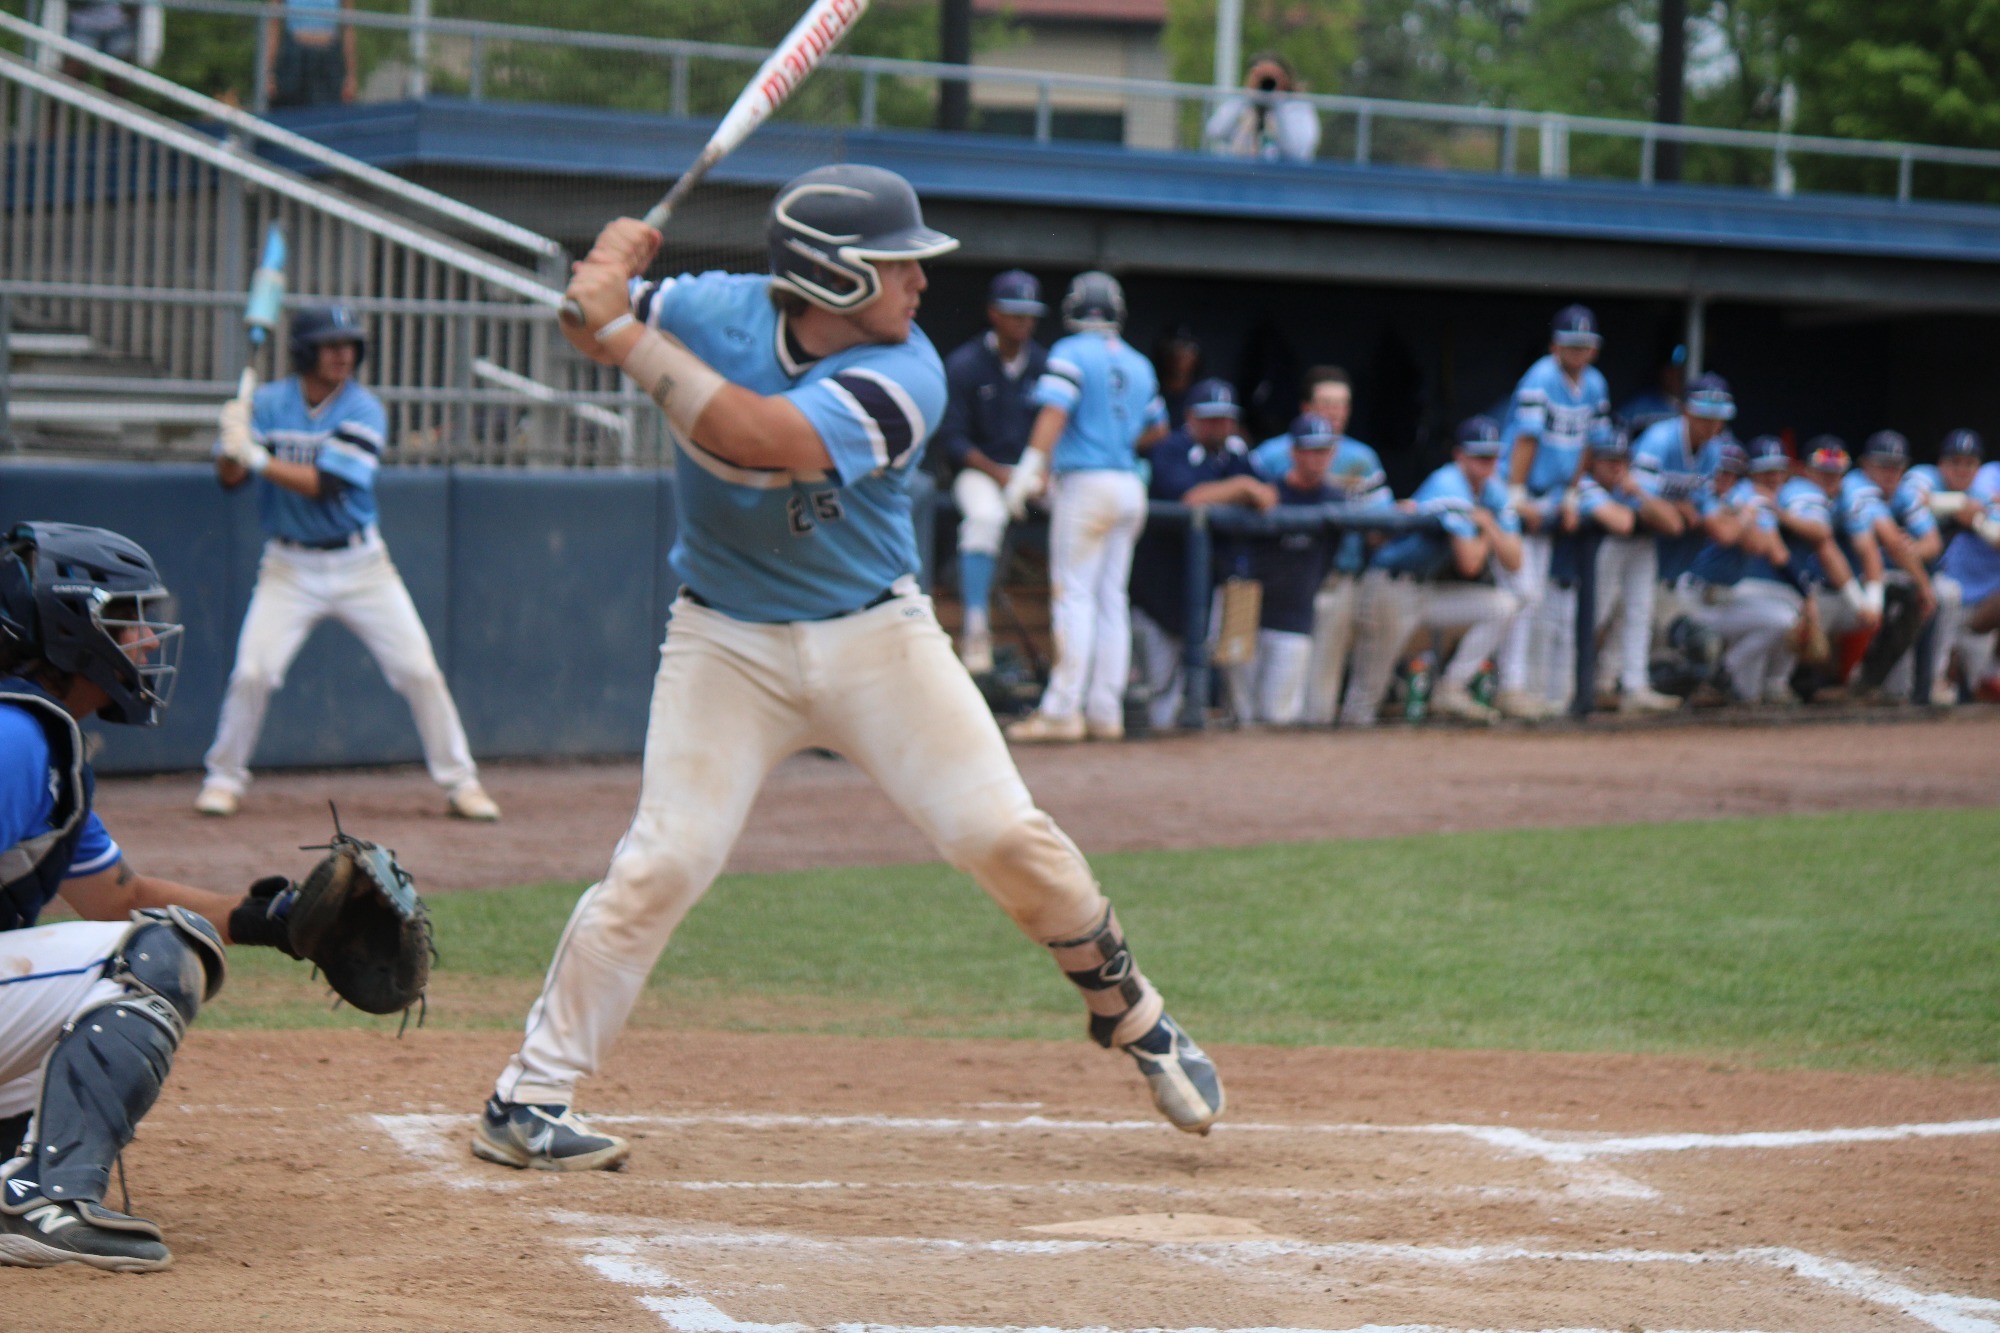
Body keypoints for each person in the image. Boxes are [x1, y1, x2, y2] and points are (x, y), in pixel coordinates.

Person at [474, 166, 1224, 1174]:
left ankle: (1132, 1015)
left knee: (999, 830)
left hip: (876, 636)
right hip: (723, 639)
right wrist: (602, 280)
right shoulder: (706, 309)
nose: (919, 283)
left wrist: (614, 328)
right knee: (665, 857)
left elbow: (753, 437)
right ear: (828, 280)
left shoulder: (910, 373)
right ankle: (527, 1095)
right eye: (895, 265)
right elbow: (596, 317)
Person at [0, 522, 311, 1271]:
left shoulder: (33, 732)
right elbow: (138, 927)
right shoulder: (14, 735)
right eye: (125, 619)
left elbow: (117, 895)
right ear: (71, 627)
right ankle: (46, 1200)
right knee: (157, 956)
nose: (142, 639)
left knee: (147, 934)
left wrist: (270, 920)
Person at [197, 305, 499, 823]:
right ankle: (223, 778)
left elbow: (327, 485)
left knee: (419, 671)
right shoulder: (267, 404)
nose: (342, 355)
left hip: (361, 565)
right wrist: (230, 446)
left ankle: (461, 783)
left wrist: (255, 457)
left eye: (349, 345)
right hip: (288, 566)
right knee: (253, 672)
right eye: (330, 345)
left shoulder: (364, 409)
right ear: (304, 351)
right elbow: (230, 481)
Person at [1003, 271, 1170, 744]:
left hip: (1086, 483)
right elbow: (1157, 428)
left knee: (1074, 596)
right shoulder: (1138, 363)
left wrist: (1028, 468)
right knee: (1111, 600)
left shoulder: (1070, 352)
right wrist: (1115, 441)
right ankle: (1104, 710)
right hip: (1127, 483)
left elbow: (1055, 411)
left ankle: (1061, 711)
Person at [1340, 416, 1524, 726]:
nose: (1486, 464)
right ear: (1459, 455)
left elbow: (1515, 560)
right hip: (1390, 587)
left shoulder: (1491, 489)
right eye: (1478, 456)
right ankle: (1342, 756)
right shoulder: (1448, 482)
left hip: (1425, 590)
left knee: (1502, 606)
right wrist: (1489, 530)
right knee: (1368, 692)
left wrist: (1487, 525)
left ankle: (1451, 688)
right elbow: (1470, 563)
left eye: (1492, 456)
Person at [1128, 378, 1274, 729]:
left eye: (1225, 418)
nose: (1219, 426)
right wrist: (1240, 488)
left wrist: (1239, 489)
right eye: (1210, 418)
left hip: (1216, 586)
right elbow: (1190, 498)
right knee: (1160, 691)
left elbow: (1268, 497)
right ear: (1191, 417)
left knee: (1223, 678)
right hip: (1159, 592)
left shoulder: (1237, 452)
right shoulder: (1170, 448)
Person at [1247, 367, 1388, 723]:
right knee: (1250, 698)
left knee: (1317, 703)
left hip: (1334, 580)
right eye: (1325, 403)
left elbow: (1379, 532)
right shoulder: (1271, 454)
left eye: (1341, 405)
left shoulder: (1362, 458)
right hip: (1267, 585)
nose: (1334, 412)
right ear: (1305, 407)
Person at [1497, 305, 1611, 720]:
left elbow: (1588, 445)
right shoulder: (1541, 377)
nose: (1577, 352)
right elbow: (1527, 439)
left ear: (1594, 350)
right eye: (1570, 345)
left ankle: (1522, 685)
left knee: (1537, 596)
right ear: (1555, 346)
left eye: (1584, 346)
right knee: (1522, 594)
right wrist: (1515, 491)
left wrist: (1570, 493)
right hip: (1519, 491)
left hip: (1552, 495)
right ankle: (1508, 686)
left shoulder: (1595, 384)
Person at [937, 270, 1049, 674]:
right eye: (1014, 312)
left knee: (1079, 509)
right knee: (984, 517)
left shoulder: (1043, 363)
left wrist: (1042, 471)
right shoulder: (965, 364)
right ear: (994, 314)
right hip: (980, 471)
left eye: (1029, 314)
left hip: (1032, 471)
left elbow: (1057, 426)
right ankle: (976, 628)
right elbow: (952, 440)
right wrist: (1001, 475)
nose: (1023, 322)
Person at [1541, 425, 1685, 714]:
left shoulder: (1625, 488)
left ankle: (1617, 688)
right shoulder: (1582, 484)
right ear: (1592, 461)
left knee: (1611, 619)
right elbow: (1623, 523)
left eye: (1622, 461)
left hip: (1572, 586)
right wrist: (1637, 505)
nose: (1617, 468)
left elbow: (1673, 525)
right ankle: (1564, 703)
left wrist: (1639, 494)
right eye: (1609, 461)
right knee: (1554, 656)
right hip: (1554, 587)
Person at [1675, 438, 1807, 704]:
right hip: (1690, 598)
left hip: (1724, 597)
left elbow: (1768, 549)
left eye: (1732, 472)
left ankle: (1724, 673)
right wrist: (1745, 518)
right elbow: (1727, 535)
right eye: (1722, 471)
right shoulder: (1715, 496)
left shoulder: (1750, 498)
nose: (1773, 479)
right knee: (1694, 649)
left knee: (1782, 620)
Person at [1632, 371, 1735, 639]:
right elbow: (1640, 499)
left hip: (1660, 553)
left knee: (1637, 621)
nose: (1711, 425)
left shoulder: (1713, 450)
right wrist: (1679, 508)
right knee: (1610, 617)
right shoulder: (1660, 439)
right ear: (1685, 410)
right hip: (1626, 535)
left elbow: (1712, 520)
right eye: (1704, 417)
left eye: (1717, 418)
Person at [1851, 431, 1949, 701]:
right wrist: (1920, 579)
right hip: (1842, 581)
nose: (1889, 472)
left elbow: (1933, 543)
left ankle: (1875, 683)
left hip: (1885, 579)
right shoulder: (1856, 486)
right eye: (1882, 465)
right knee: (1920, 596)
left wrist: (1911, 551)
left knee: (1921, 601)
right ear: (1865, 464)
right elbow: (1892, 542)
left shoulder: (1903, 494)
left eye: (1896, 466)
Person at [1911, 431, 1999, 698]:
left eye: (1969, 463)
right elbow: (1918, 498)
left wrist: (1974, 519)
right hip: (1922, 587)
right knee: (1944, 594)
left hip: (1974, 613)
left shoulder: (1983, 492)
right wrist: (1961, 508)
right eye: (1954, 462)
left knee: (1971, 691)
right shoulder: (1924, 477)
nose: (1962, 469)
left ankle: (1971, 676)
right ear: (1941, 463)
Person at [1203, 52, 1320, 163]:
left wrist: (1278, 105)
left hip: (1283, 179)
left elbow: (1295, 151)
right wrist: (1246, 96)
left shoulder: (1298, 108)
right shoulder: (1241, 105)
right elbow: (1215, 131)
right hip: (1242, 176)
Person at [265, 0, 357, 108]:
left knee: (328, 115)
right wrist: (268, 72)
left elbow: (348, 28)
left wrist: (351, 76)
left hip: (328, 62)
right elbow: (273, 24)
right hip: (293, 59)